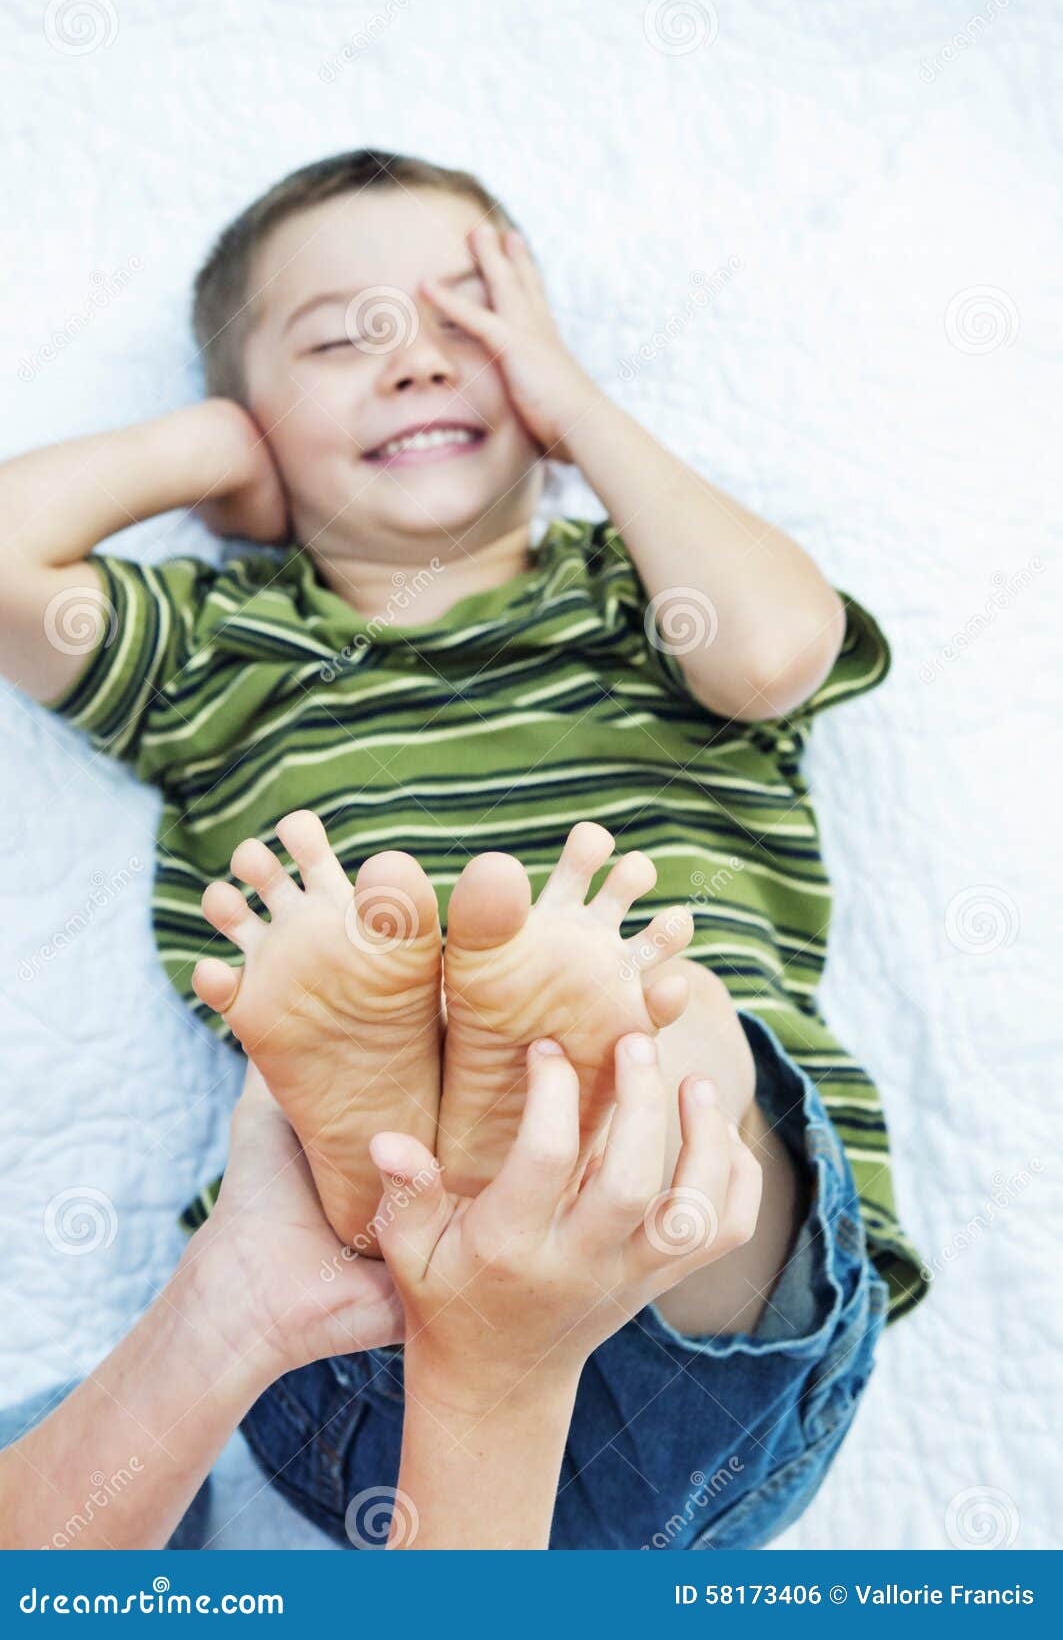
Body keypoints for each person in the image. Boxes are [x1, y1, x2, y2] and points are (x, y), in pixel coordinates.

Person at [0, 149, 920, 1546]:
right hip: (355, 1351)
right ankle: (409, 1166)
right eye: (336, 339)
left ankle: (522, 1111)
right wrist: (215, 455)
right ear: (249, 404)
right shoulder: (219, 645)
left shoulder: (644, 598)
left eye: (467, 321)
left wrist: (576, 407)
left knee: (678, 1022)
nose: (412, 361)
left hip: (695, 1308)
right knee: (589, 1026)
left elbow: (775, 647)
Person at [0, 1031, 758, 1551]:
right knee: (697, 1074)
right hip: (640, 1501)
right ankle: (594, 1124)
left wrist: (234, 1316)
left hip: (304, 1398)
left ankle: (497, 1142)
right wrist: (494, 1382)